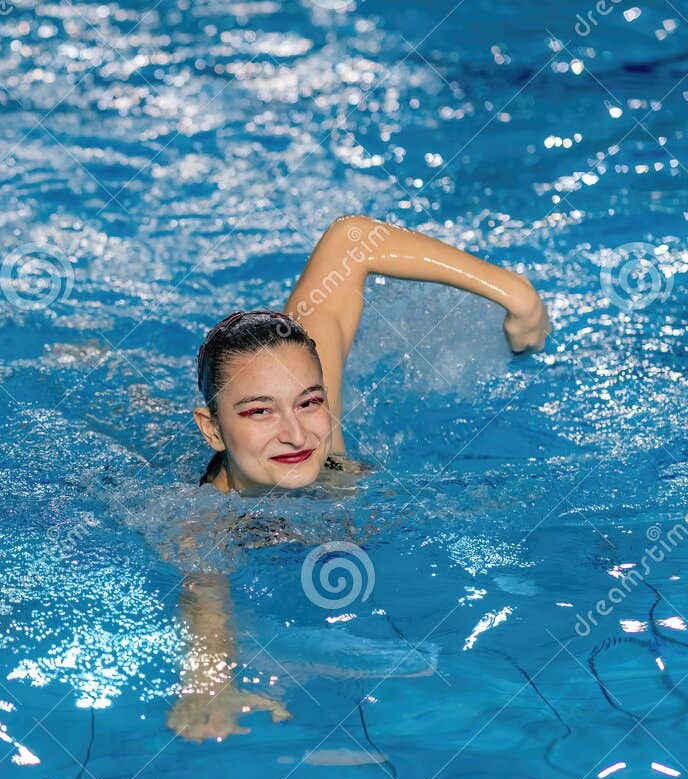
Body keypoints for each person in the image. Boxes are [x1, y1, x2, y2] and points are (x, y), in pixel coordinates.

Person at [166, 214, 550, 743]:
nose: (295, 433)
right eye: (259, 412)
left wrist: (519, 295)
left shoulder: (324, 443)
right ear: (213, 429)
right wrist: (210, 687)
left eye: (310, 401)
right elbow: (205, 599)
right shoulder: (203, 520)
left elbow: (351, 240)